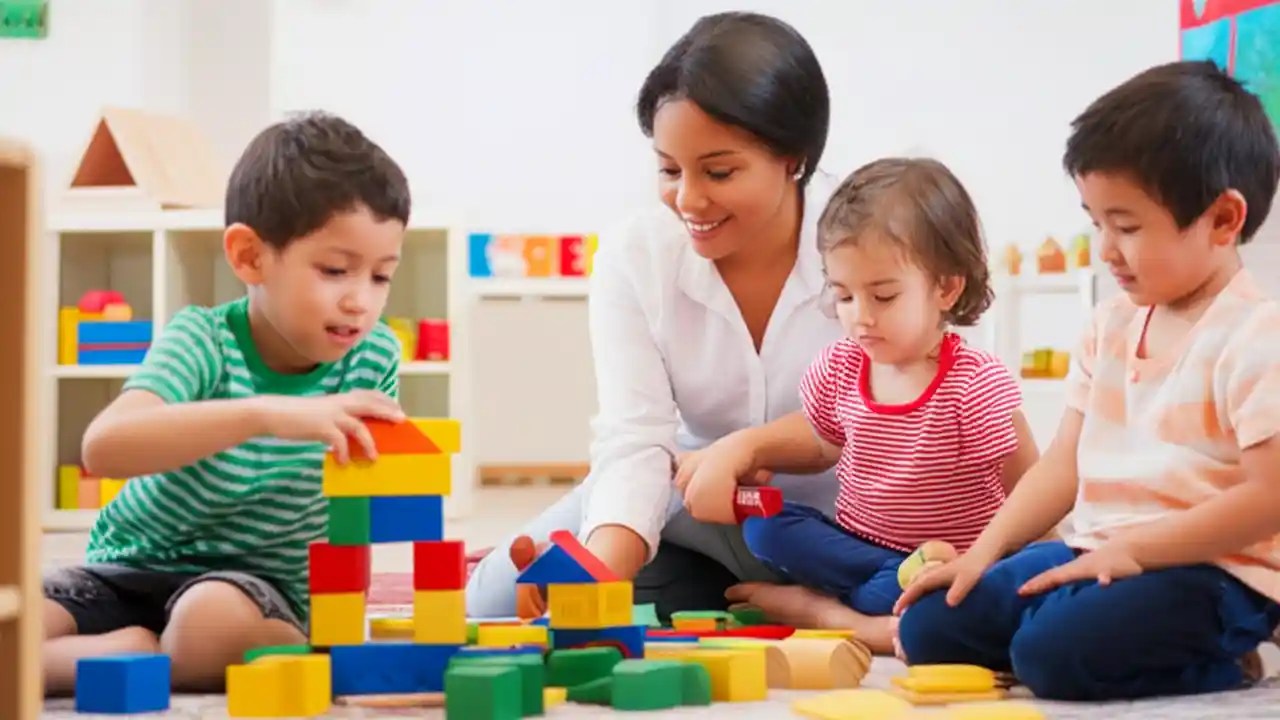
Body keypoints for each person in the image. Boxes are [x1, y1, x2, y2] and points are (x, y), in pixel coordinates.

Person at [893, 59, 1280, 702]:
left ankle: (1226, 659)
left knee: (1050, 656)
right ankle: (1079, 632)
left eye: (1126, 227)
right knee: (933, 626)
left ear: (1222, 220)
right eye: (1096, 221)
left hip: (1211, 571)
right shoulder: (1111, 324)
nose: (1104, 248)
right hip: (1097, 551)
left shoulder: (1256, 337)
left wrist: (1138, 553)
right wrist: (979, 555)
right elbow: (1062, 465)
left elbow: (1268, 498)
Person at [465, 11, 845, 619]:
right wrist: (599, 574)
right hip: (683, 504)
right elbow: (636, 438)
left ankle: (738, 591)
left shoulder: (869, 245)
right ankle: (698, 584)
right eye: (669, 169)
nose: (688, 199)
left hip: (834, 526)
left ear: (793, 157)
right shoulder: (635, 255)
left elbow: (908, 413)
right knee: (493, 603)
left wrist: (749, 449)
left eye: (719, 171)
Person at [41, 112, 410, 694]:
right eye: (336, 270)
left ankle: (122, 658)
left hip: (253, 586)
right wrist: (264, 413)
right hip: (128, 568)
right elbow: (104, 448)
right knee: (17, 616)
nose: (360, 302)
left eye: (381, 277)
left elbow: (360, 505)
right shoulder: (202, 340)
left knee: (204, 625)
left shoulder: (373, 358)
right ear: (249, 256)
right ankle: (126, 652)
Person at [677, 157, 1039, 653]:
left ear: (946, 288)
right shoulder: (842, 365)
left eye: (884, 296)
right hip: (860, 549)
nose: (860, 318)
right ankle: (880, 599)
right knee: (766, 531)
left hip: (951, 560)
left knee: (930, 591)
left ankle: (823, 612)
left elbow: (1030, 486)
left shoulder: (974, 385)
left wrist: (1023, 561)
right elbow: (823, 445)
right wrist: (748, 454)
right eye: (844, 296)